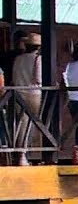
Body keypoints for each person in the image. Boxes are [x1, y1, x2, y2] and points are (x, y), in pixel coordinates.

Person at [12, 33, 42, 164]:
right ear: (38, 47)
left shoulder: (18, 59)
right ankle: (24, 154)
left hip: (18, 94)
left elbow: (14, 77)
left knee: (20, 123)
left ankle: (20, 154)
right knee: (31, 124)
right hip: (33, 94)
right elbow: (38, 78)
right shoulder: (38, 59)